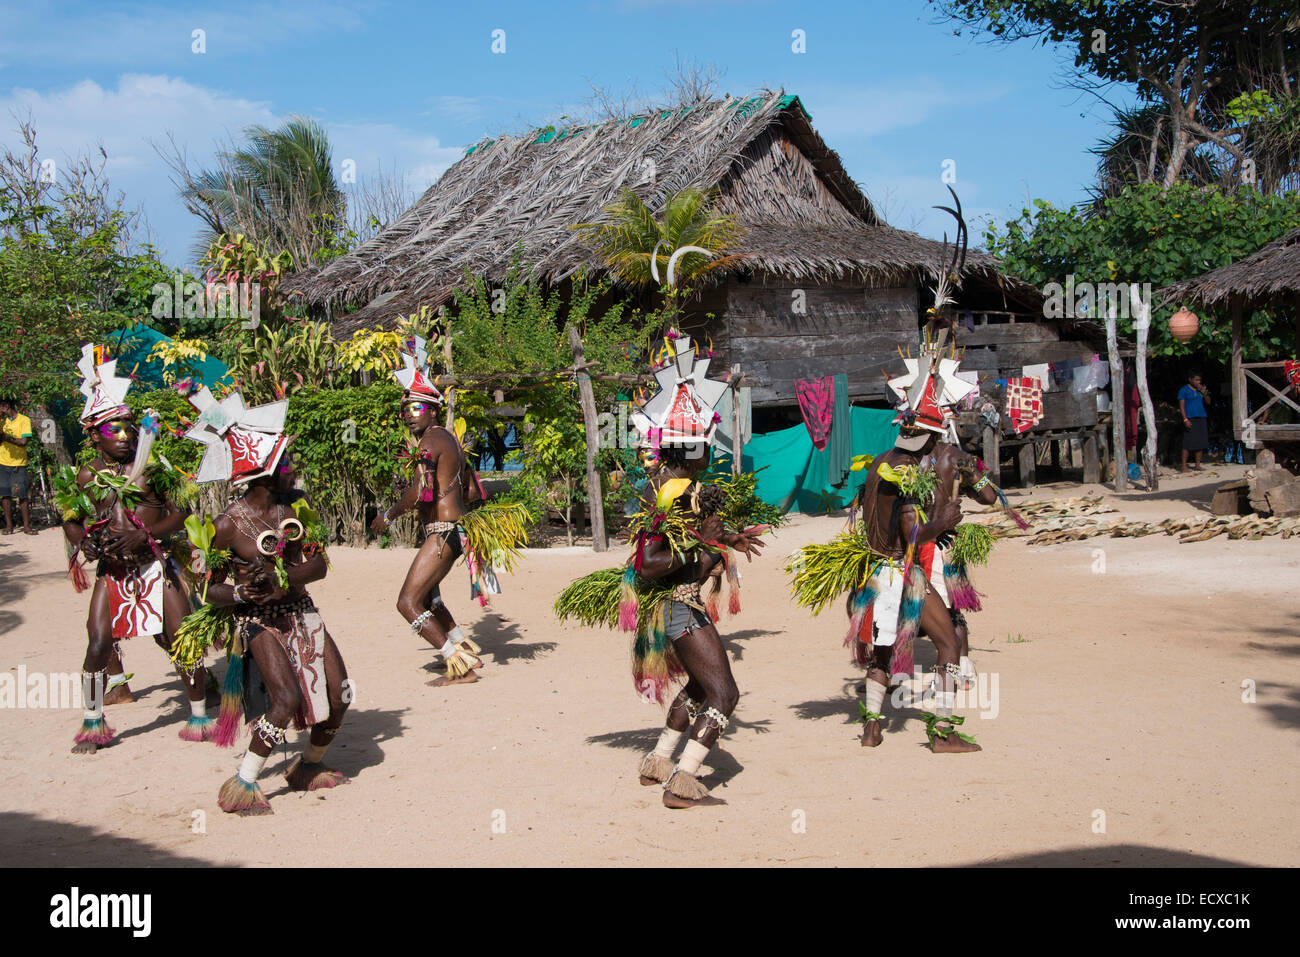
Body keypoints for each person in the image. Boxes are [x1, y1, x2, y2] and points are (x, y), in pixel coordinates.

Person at [179, 386, 351, 815]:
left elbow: (320, 566)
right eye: (285, 461)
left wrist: (283, 578)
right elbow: (207, 590)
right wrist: (241, 591)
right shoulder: (226, 526)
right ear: (263, 469)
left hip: (302, 612)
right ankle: (245, 781)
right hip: (259, 622)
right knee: (285, 701)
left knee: (341, 694)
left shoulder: (298, 506)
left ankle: (308, 766)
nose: (292, 468)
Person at [57, 345, 212, 753]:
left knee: (181, 640)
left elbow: (182, 513)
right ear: (94, 435)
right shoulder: (87, 476)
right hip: (112, 571)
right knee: (97, 643)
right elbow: (71, 518)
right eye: (115, 430)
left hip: (155, 566)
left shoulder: (153, 466)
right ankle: (93, 723)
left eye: (129, 427)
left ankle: (199, 715)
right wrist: (83, 541)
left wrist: (145, 535)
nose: (126, 436)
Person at [370, 337, 528, 687]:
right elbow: (470, 489)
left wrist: (390, 515)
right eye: (405, 410)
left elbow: (421, 490)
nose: (408, 417)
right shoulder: (450, 440)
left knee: (408, 602)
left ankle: (460, 665)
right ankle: (463, 646)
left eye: (415, 409)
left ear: (431, 410)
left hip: (443, 533)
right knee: (430, 597)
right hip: (453, 531)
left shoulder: (429, 441)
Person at [0, 395, 36, 535]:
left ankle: (26, 526)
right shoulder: (2, 422)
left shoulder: (24, 420)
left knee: (21, 494)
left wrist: (6, 438)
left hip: (18, 464)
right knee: (5, 495)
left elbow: (23, 442)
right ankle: (9, 526)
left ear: (6, 407)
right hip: (3, 463)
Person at [1178, 371, 1211, 472]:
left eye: (1199, 380)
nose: (1198, 382)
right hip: (1190, 418)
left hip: (1201, 417)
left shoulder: (1200, 390)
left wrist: (1204, 393)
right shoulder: (1184, 390)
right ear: (1190, 379)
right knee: (1187, 443)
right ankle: (1184, 466)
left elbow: (1208, 402)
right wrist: (1185, 419)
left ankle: (1197, 465)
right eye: (1196, 380)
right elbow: (1181, 406)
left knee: (1200, 442)